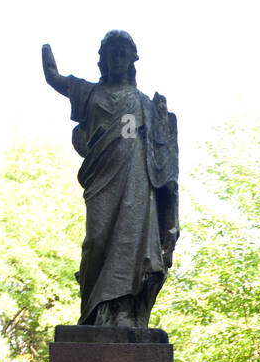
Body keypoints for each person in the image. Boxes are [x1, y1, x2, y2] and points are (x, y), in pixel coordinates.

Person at [42, 30, 178, 327]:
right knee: (96, 242)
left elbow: (160, 150)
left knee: (131, 240)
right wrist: (45, 50)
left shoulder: (142, 101)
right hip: (101, 180)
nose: (117, 58)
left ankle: (124, 313)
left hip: (136, 182)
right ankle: (93, 316)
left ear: (131, 60)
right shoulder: (89, 93)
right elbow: (55, 78)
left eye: (123, 53)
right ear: (102, 60)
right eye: (112, 53)